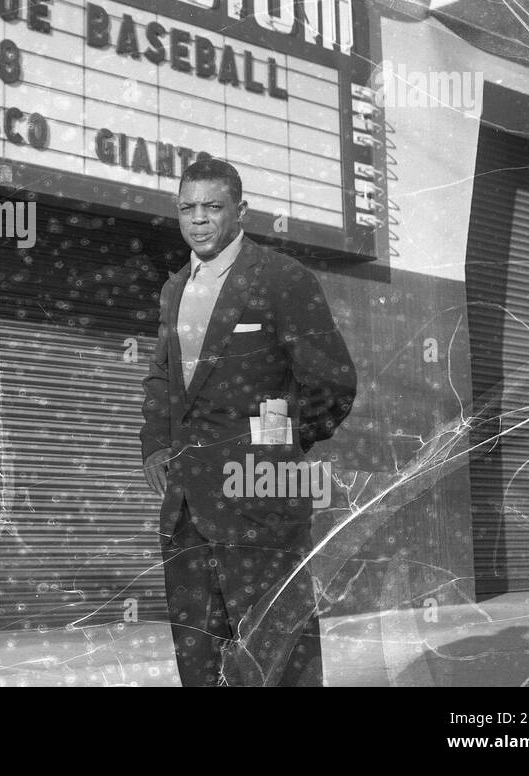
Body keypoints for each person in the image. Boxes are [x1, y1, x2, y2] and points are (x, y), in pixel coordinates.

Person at [140, 156, 356, 687]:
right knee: (198, 656)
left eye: (212, 207)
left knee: (279, 652)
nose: (199, 219)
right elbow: (165, 381)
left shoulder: (282, 278)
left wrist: (273, 447)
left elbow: (332, 383)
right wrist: (153, 446)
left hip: (261, 499)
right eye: (187, 208)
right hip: (187, 509)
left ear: (240, 210)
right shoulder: (175, 289)